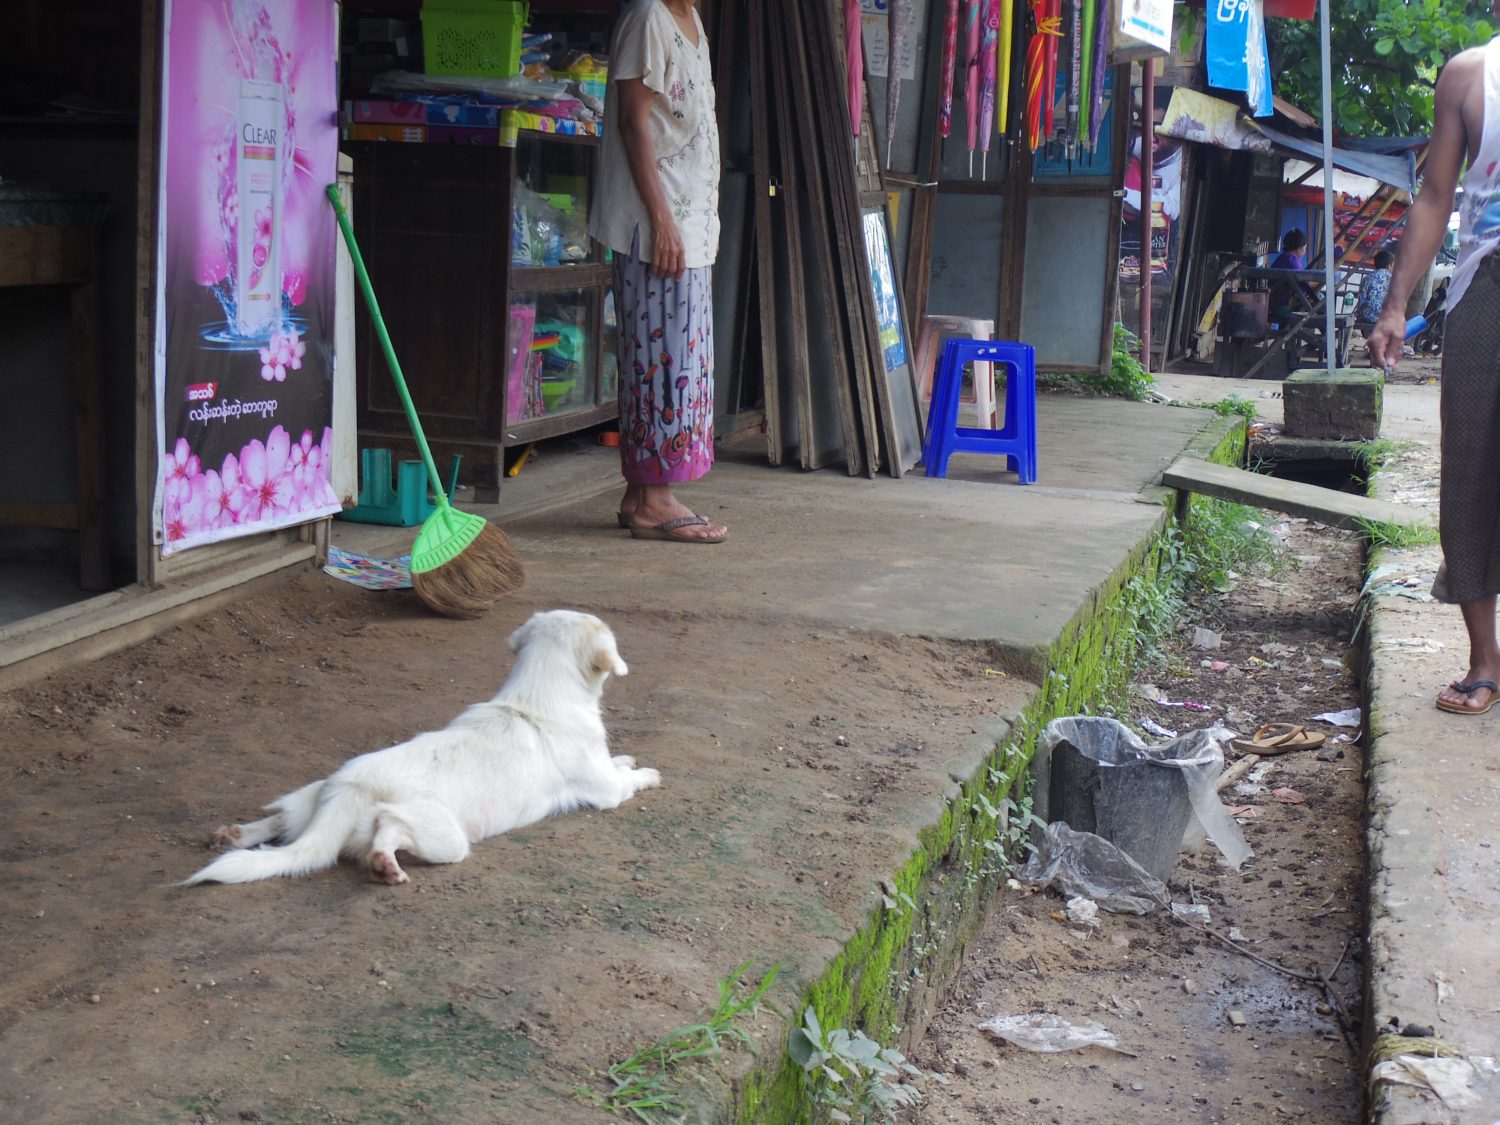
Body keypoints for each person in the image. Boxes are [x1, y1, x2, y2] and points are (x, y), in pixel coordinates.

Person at [1369, 20, 1500, 715]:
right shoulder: (1469, 76)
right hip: (1486, 284)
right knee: (1472, 466)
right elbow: (1433, 197)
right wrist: (1396, 307)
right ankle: (1485, 660)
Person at [588, 0, 726, 543]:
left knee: (681, 358)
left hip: (690, 225)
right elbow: (633, 122)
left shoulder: (690, 21)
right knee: (659, 360)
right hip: (657, 224)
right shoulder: (649, 16)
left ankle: (640, 491)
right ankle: (654, 500)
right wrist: (663, 221)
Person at [1355, 249, 1395, 333]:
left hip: (1366, 316)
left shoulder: (1367, 277)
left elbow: (1362, 298)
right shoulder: (1393, 279)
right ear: (1389, 265)